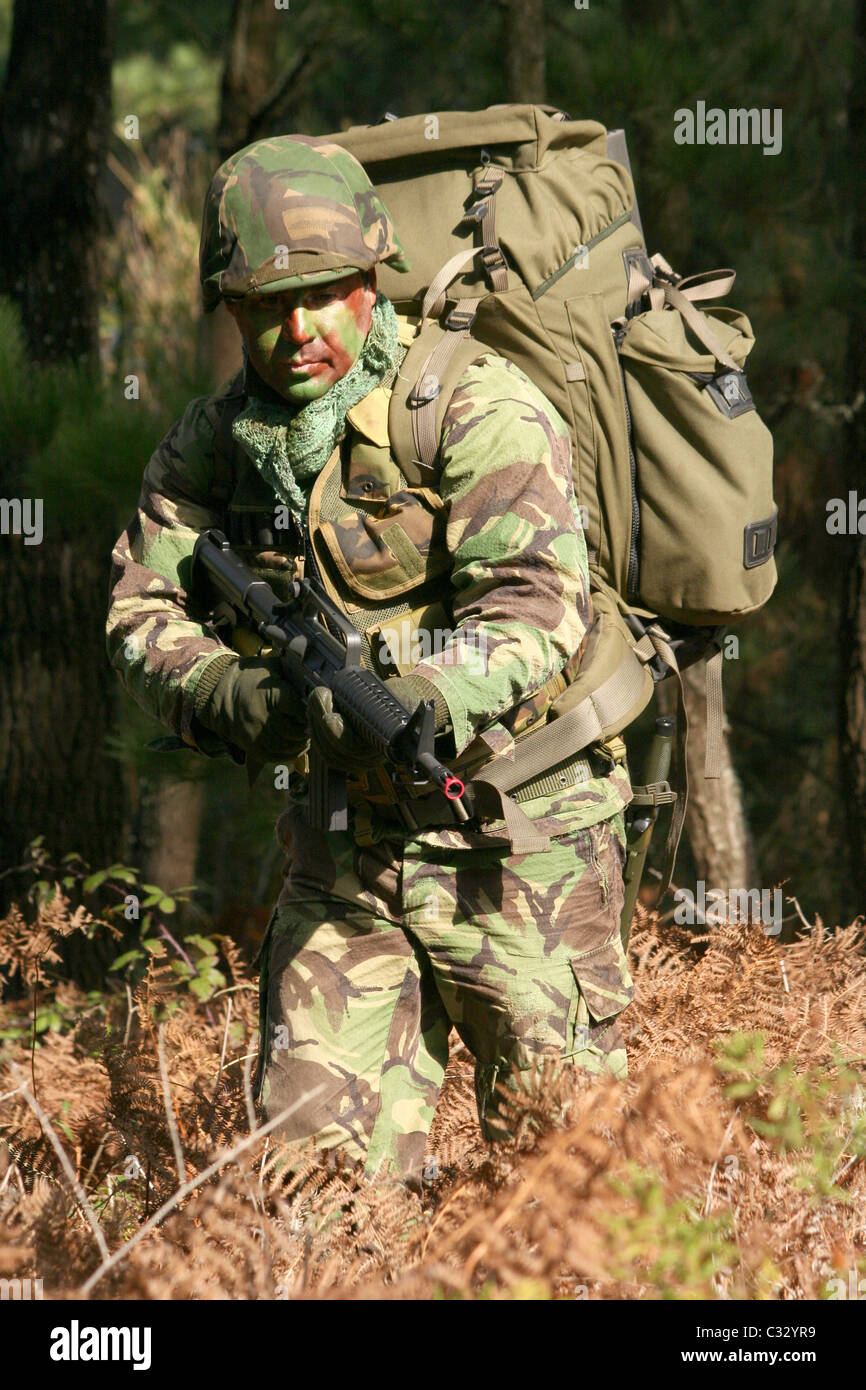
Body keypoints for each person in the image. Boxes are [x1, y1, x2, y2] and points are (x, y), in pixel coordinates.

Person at [106, 134, 635, 1186]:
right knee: (309, 1191)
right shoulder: (212, 443)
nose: (296, 328)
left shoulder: (476, 405)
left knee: (566, 1182)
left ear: (372, 279)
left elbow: (537, 607)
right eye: (263, 304)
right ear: (230, 307)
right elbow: (140, 609)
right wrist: (229, 693)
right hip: (343, 854)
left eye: (323, 293)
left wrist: (422, 689)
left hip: (516, 839)